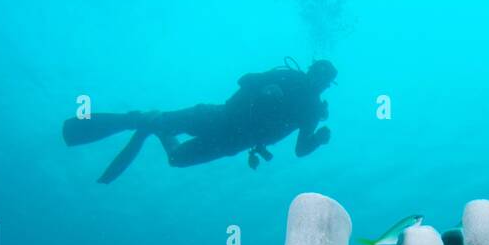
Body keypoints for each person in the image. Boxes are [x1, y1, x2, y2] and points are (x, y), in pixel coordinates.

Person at [62, 59, 337, 182]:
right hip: (218, 116)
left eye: (324, 78)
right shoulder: (286, 77)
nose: (317, 79)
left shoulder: (312, 112)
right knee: (158, 122)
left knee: (176, 159)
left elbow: (301, 150)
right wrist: (265, 86)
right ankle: (141, 121)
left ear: (327, 85)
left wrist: (318, 141)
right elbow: (244, 80)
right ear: (309, 68)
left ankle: (152, 127)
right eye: (317, 71)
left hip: (236, 143)